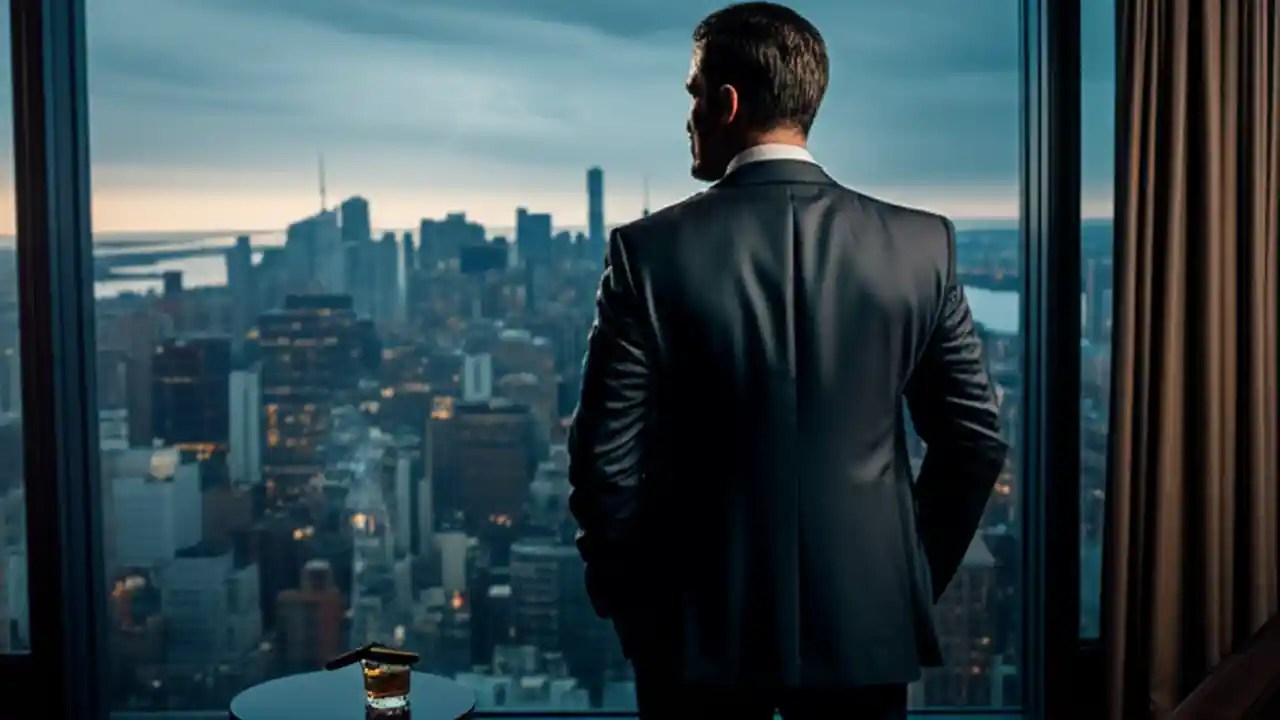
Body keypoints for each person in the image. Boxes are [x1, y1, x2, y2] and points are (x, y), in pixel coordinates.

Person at [567, 2, 1008, 718]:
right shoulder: (921, 246)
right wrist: (904, 580)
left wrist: (639, 608)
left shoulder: (649, 252)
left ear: (727, 103)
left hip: (695, 633)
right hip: (866, 625)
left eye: (692, 95)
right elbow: (974, 442)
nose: (687, 115)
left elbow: (604, 462)